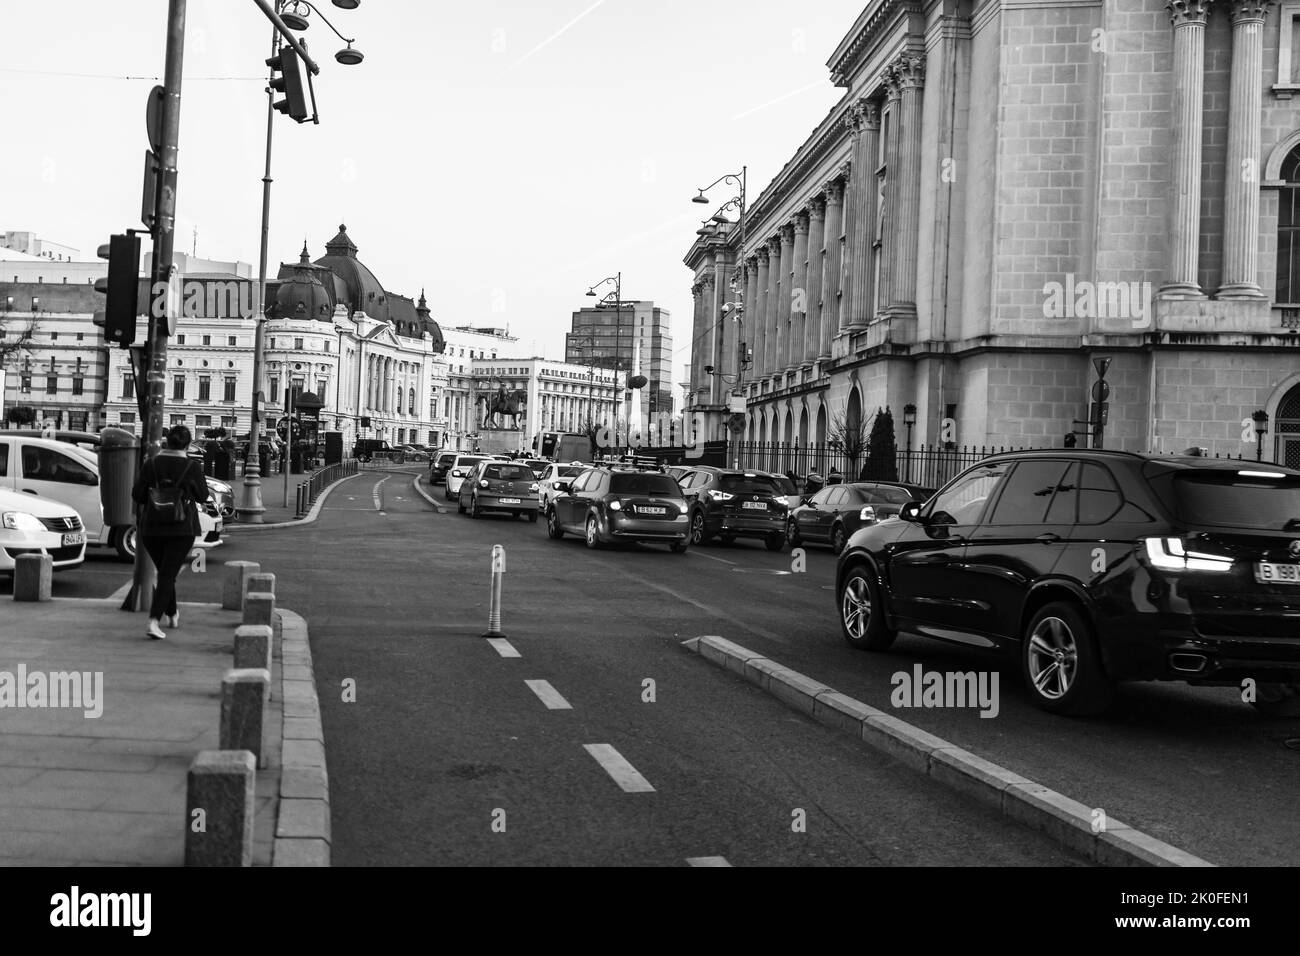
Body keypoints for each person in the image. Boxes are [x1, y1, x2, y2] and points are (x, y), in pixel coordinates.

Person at [131, 424, 210, 640]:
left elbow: (137, 495)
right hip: (181, 529)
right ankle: (154, 621)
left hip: (151, 529)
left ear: (167, 441)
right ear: (187, 443)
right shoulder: (191, 466)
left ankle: (172, 613)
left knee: (166, 572)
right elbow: (203, 496)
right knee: (167, 574)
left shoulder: (152, 463)